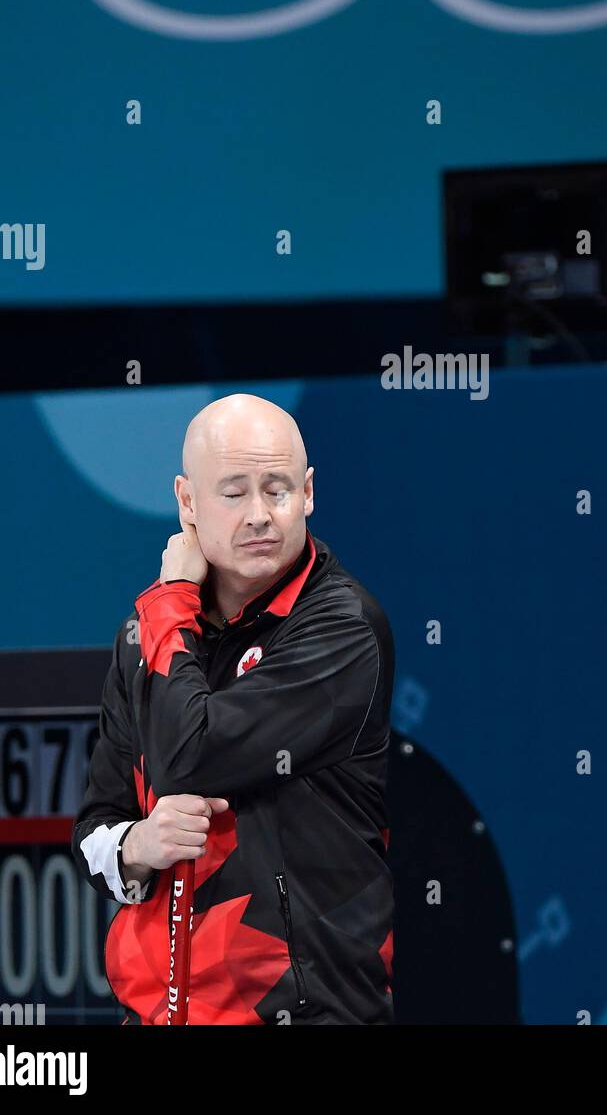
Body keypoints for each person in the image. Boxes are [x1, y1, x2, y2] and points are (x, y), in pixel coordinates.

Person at [71, 393, 395, 1024]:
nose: (259, 516)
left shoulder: (342, 627)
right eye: (233, 492)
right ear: (187, 501)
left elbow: (189, 759)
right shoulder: (146, 640)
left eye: (276, 489)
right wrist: (138, 844)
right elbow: (95, 830)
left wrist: (170, 600)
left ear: (308, 492)